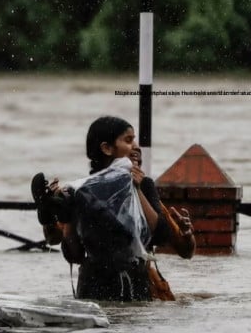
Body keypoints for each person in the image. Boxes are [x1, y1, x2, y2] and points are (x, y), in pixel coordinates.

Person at [31, 116, 195, 302]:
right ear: (106, 148)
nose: (136, 146)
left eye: (134, 139)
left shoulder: (143, 186)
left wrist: (137, 190)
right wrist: (69, 217)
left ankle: (55, 207)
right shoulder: (82, 192)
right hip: (106, 286)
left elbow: (161, 235)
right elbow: (74, 254)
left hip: (126, 285)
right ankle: (55, 208)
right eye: (128, 140)